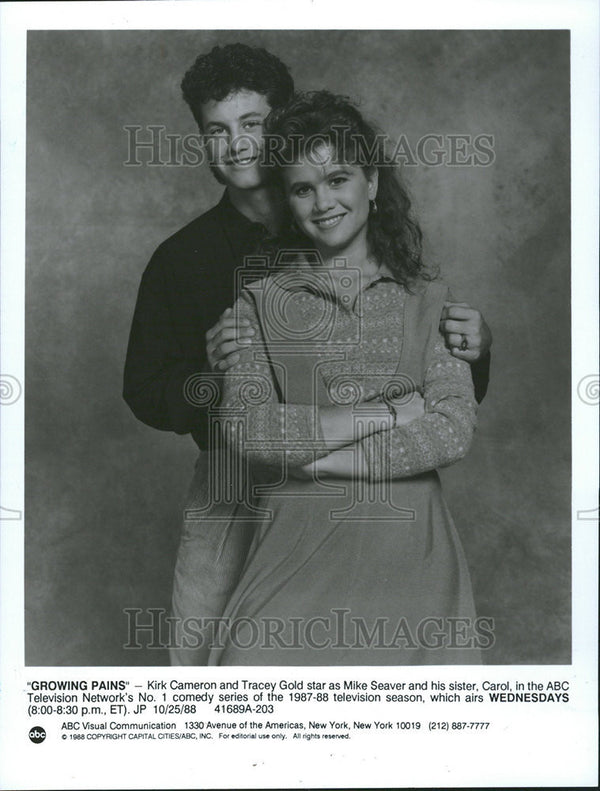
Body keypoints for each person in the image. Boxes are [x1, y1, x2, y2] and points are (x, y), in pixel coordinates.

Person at [122, 44, 492, 665]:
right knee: (208, 672)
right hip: (234, 480)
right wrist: (213, 378)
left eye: (251, 124)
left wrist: (474, 347)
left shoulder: (368, 243)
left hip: (374, 500)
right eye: (216, 130)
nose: (236, 144)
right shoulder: (182, 257)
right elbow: (147, 387)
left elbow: (440, 398)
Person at [208, 91, 484, 666]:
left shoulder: (432, 303)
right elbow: (252, 433)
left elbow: (452, 430)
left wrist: (315, 458)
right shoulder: (258, 304)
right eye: (303, 188)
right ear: (288, 201)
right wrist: (385, 413)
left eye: (338, 179)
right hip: (294, 553)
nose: (323, 201)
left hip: (413, 567)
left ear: (372, 183)